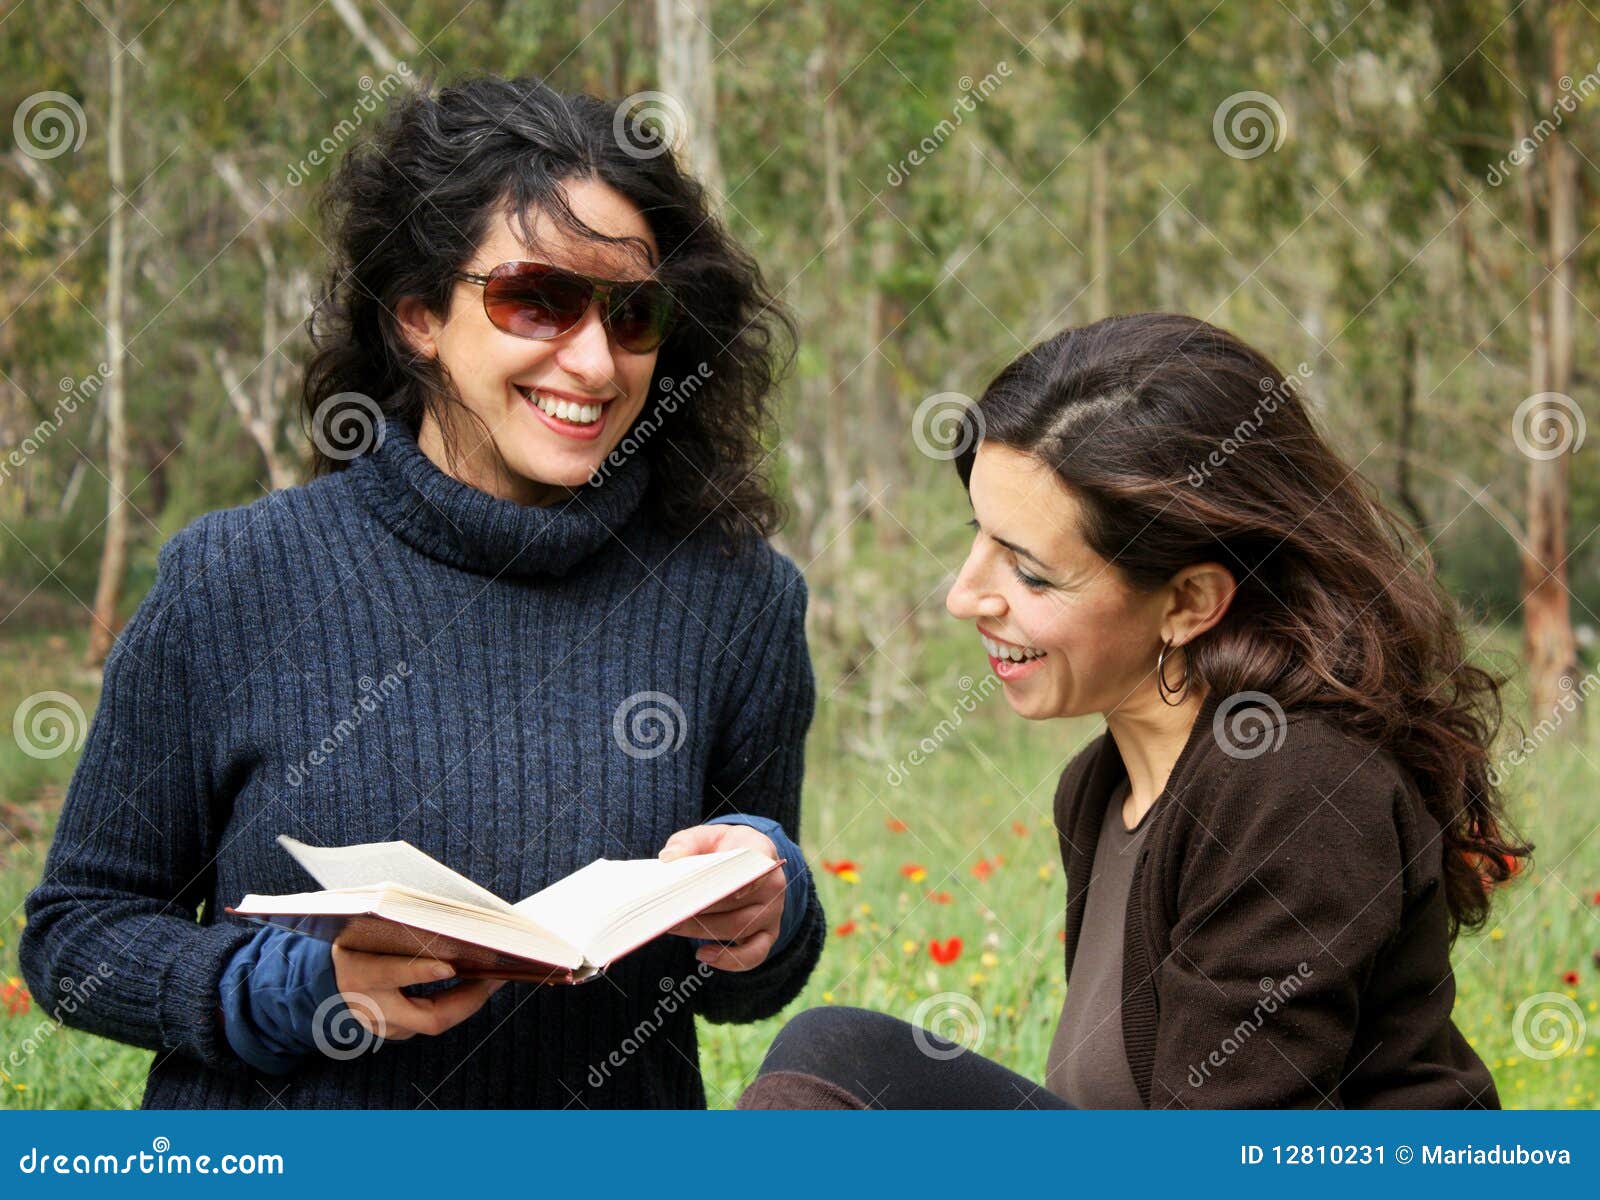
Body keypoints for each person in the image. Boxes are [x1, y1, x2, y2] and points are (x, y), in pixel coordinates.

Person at [22, 75, 824, 1109]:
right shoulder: (233, 578)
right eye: (537, 299)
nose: (591, 360)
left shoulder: (738, 600)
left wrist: (771, 911)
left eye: (633, 311)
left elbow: (741, 986)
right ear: (418, 318)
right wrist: (279, 990)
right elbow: (76, 933)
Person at [739, 313, 1525, 1110]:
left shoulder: (1294, 788)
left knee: (837, 1060)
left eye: (1031, 573)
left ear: (1188, 601)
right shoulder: (1100, 788)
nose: (962, 596)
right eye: (979, 536)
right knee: (837, 1060)